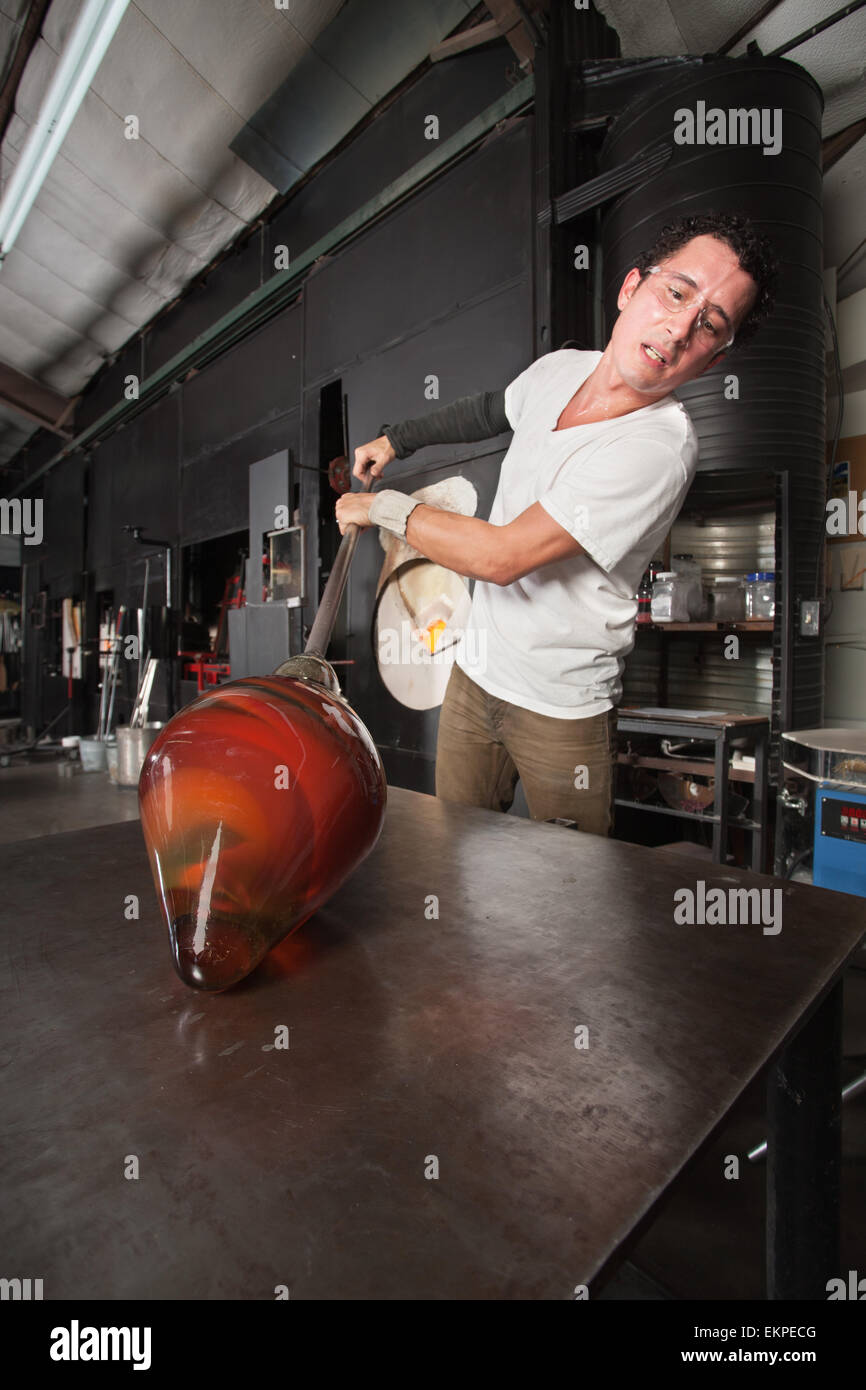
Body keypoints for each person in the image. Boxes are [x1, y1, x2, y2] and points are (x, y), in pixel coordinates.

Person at [335, 212, 777, 835]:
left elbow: (501, 556)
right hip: (477, 671)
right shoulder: (560, 369)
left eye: (709, 325)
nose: (679, 328)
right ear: (631, 288)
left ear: (709, 361)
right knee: (456, 856)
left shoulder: (657, 449)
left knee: (572, 899)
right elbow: (494, 410)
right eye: (676, 292)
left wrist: (380, 508)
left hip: (562, 706)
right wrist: (397, 439)